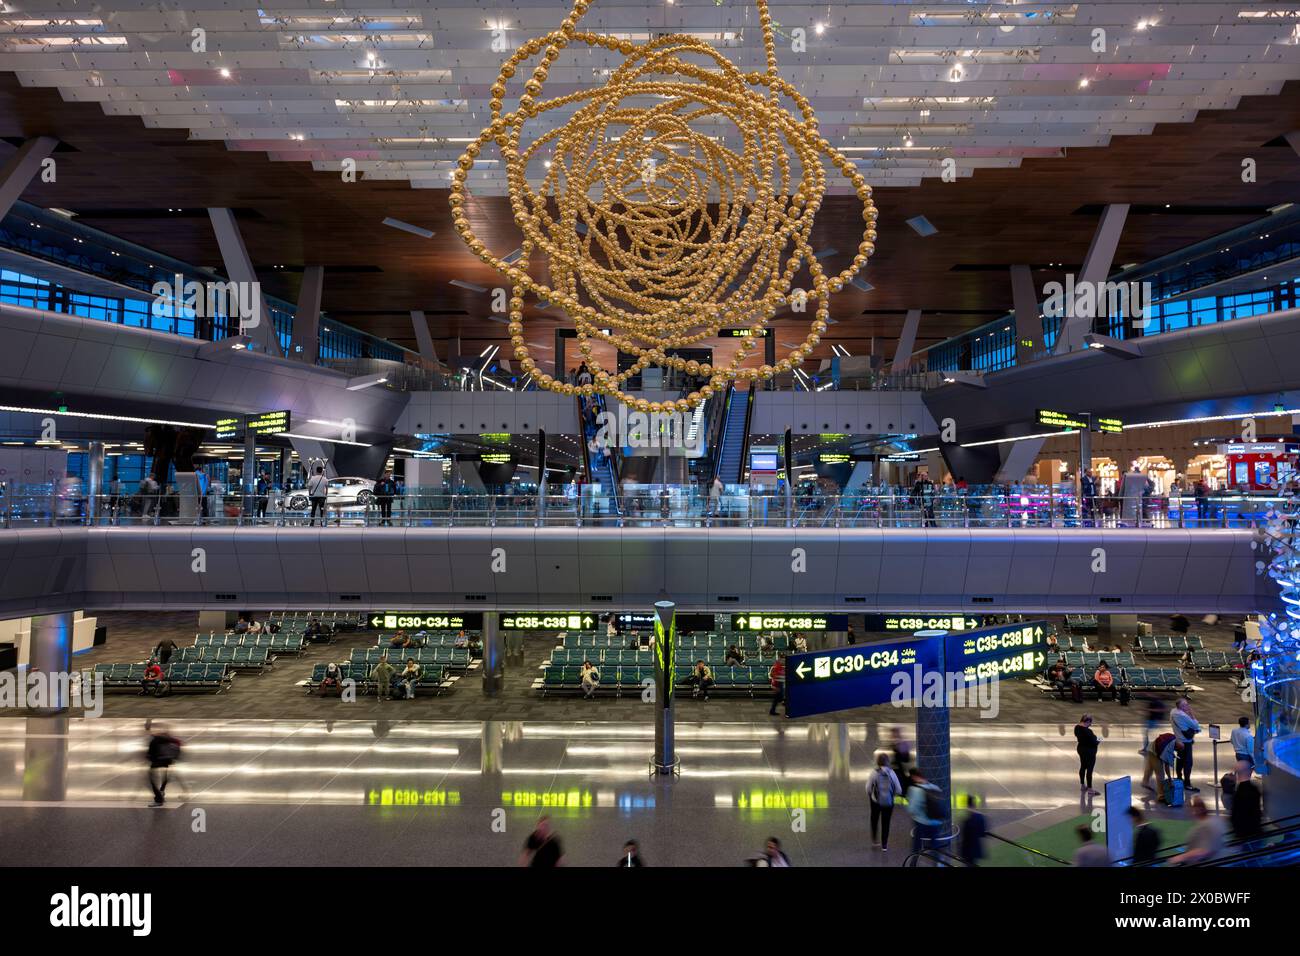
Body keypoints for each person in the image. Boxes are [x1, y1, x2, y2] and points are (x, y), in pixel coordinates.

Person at [1170, 798, 1225, 865]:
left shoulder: (1204, 826)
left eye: (1190, 809)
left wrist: (1181, 857)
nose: (1188, 812)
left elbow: (1205, 851)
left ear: (1197, 809)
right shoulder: (1215, 820)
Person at [866, 752, 902, 851]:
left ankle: (874, 841)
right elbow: (899, 790)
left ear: (877, 762)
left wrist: (871, 795)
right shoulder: (892, 773)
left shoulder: (874, 772)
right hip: (888, 802)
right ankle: (884, 845)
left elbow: (868, 788)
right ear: (887, 762)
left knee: (874, 819)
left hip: (876, 801)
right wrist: (892, 795)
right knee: (886, 822)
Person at [906, 769, 944, 854]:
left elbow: (911, 809)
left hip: (922, 821)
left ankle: (914, 860)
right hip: (935, 821)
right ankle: (937, 861)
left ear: (914, 777)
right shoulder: (935, 787)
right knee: (934, 843)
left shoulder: (914, 790)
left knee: (917, 843)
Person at [145, 725, 183, 807]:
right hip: (167, 761)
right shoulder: (170, 740)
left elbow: (149, 754)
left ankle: (159, 799)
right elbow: (178, 746)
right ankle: (162, 791)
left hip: (157, 762)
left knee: (151, 779)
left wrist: (149, 758)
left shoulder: (155, 740)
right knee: (164, 777)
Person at [1171, 698, 1201, 792]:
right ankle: (1187, 783)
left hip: (1178, 739)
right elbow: (1195, 725)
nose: (1188, 706)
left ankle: (1179, 779)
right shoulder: (1182, 715)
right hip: (1185, 742)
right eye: (1186, 705)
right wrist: (1191, 714)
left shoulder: (1173, 711)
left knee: (1180, 761)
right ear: (1181, 706)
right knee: (1188, 763)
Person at [1229, 760, 1263, 842]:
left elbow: (1236, 816)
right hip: (1254, 830)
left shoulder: (1239, 793)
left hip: (1244, 834)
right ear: (1250, 771)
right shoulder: (1254, 789)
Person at [1142, 731, 1178, 803]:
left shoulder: (1173, 738)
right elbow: (1166, 767)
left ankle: (1145, 782)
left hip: (1150, 748)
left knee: (1150, 767)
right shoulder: (1167, 752)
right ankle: (1161, 795)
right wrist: (1170, 778)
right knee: (1160, 774)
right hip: (1155, 753)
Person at [958, 794, 988, 866]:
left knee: (968, 864)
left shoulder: (966, 820)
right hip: (976, 848)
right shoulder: (980, 817)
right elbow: (982, 834)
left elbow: (963, 836)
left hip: (967, 849)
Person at [1075, 713, 1100, 795]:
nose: (1091, 724)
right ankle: (1090, 788)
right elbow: (1095, 742)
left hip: (1081, 749)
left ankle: (1082, 785)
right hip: (1089, 752)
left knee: (1083, 766)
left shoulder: (1077, 727)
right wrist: (1099, 739)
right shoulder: (1088, 731)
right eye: (1090, 722)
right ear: (1087, 721)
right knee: (1090, 769)